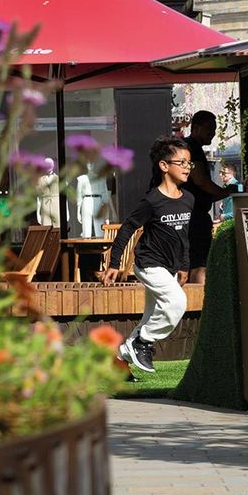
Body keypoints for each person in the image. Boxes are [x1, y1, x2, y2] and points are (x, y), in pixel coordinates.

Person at [101, 136, 193, 374]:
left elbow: (183, 238)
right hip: (149, 264)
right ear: (164, 166)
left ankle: (118, 361)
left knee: (151, 316)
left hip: (170, 268)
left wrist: (184, 265)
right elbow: (127, 228)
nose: (187, 168)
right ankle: (141, 342)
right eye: (181, 163)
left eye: (189, 163)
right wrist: (114, 263)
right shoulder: (153, 200)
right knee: (176, 303)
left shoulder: (188, 200)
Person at [183, 110, 234, 285]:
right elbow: (200, 181)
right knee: (199, 264)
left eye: (214, 129)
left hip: (189, 213)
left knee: (190, 262)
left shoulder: (186, 147)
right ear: (195, 128)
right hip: (195, 217)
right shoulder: (192, 149)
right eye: (209, 129)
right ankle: (199, 304)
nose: (212, 133)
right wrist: (225, 192)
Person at [35, 158, 60, 226]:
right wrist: (38, 213)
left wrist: (66, 211)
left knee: (58, 229)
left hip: (57, 205)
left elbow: (64, 197)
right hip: (45, 206)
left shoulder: (59, 179)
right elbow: (39, 198)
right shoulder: (39, 180)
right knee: (46, 229)